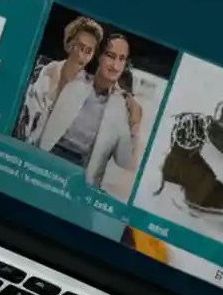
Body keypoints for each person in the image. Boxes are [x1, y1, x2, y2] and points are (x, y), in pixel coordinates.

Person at [41, 32, 144, 190]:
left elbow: (125, 162)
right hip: (47, 158)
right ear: (99, 56)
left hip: (81, 176)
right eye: (111, 56)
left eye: (121, 59)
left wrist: (135, 125)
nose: (115, 65)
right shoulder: (74, 79)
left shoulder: (122, 107)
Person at [13, 16, 102, 146]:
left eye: (88, 51)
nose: (82, 55)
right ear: (70, 45)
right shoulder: (41, 70)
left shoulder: (87, 91)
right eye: (80, 47)